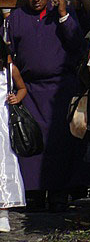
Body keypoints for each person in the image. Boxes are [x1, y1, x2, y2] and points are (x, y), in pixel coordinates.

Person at [6, 0, 84, 210]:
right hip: (29, 90)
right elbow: (6, 51)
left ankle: (59, 192)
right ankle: (34, 193)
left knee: (59, 143)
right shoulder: (16, 18)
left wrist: (62, 14)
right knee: (31, 141)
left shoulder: (62, 12)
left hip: (60, 89)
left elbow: (76, 43)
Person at [0, 36, 26, 233]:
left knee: (4, 166)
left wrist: (16, 98)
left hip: (2, 127)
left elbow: (23, 88)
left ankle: (3, 212)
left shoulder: (9, 71)